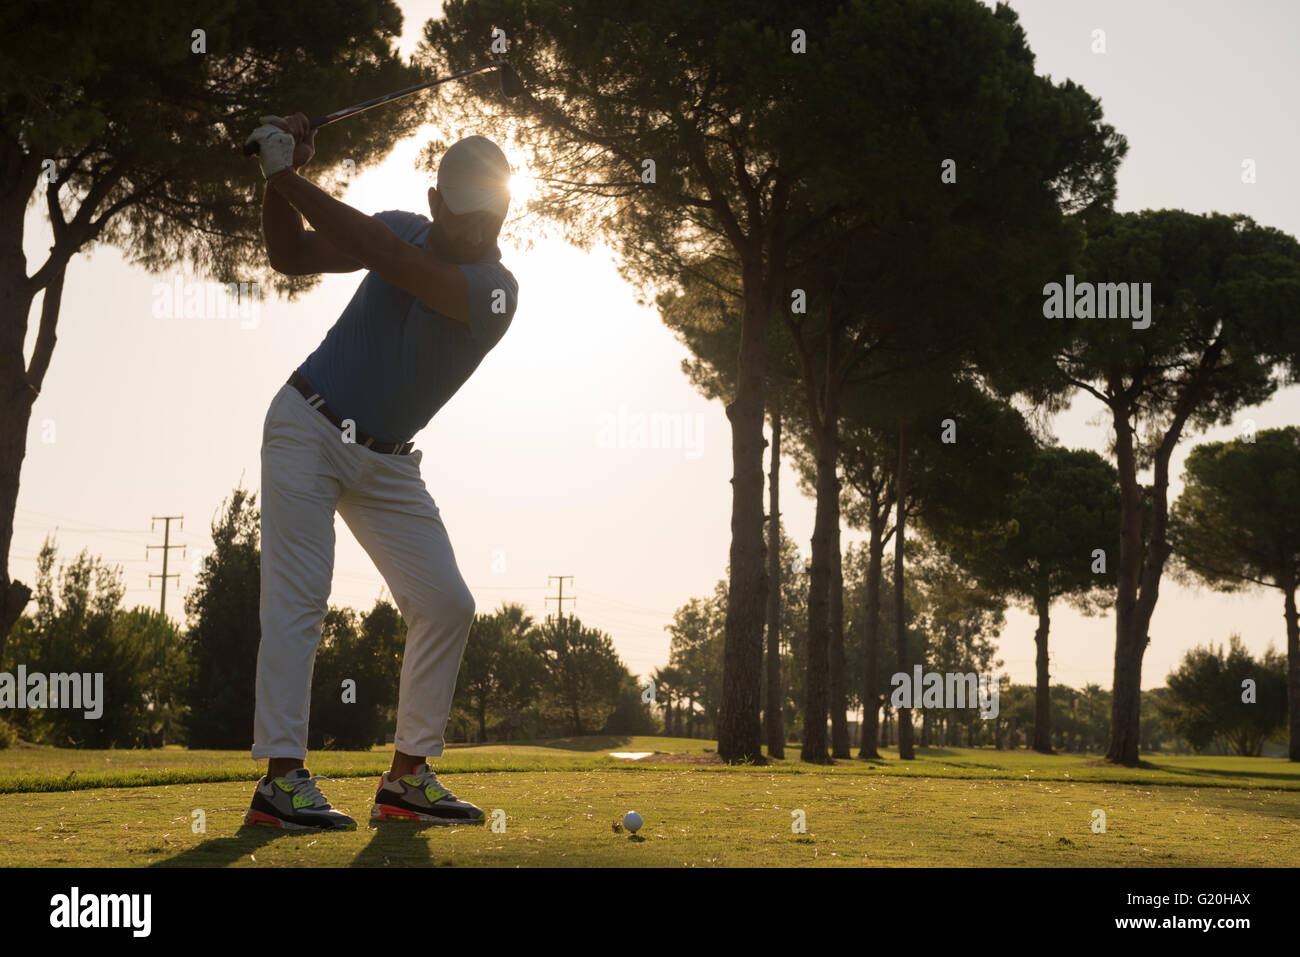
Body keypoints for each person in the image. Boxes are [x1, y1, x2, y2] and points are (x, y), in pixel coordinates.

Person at [240, 114, 518, 831]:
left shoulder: (495, 290)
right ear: (435, 205)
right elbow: (289, 253)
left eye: (489, 222)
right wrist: (277, 183)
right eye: (464, 222)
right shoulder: (403, 227)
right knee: (300, 603)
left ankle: (407, 778)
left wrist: (287, 174)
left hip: (388, 463)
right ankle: (281, 781)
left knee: (447, 602)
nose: (476, 235)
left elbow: (389, 256)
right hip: (306, 423)